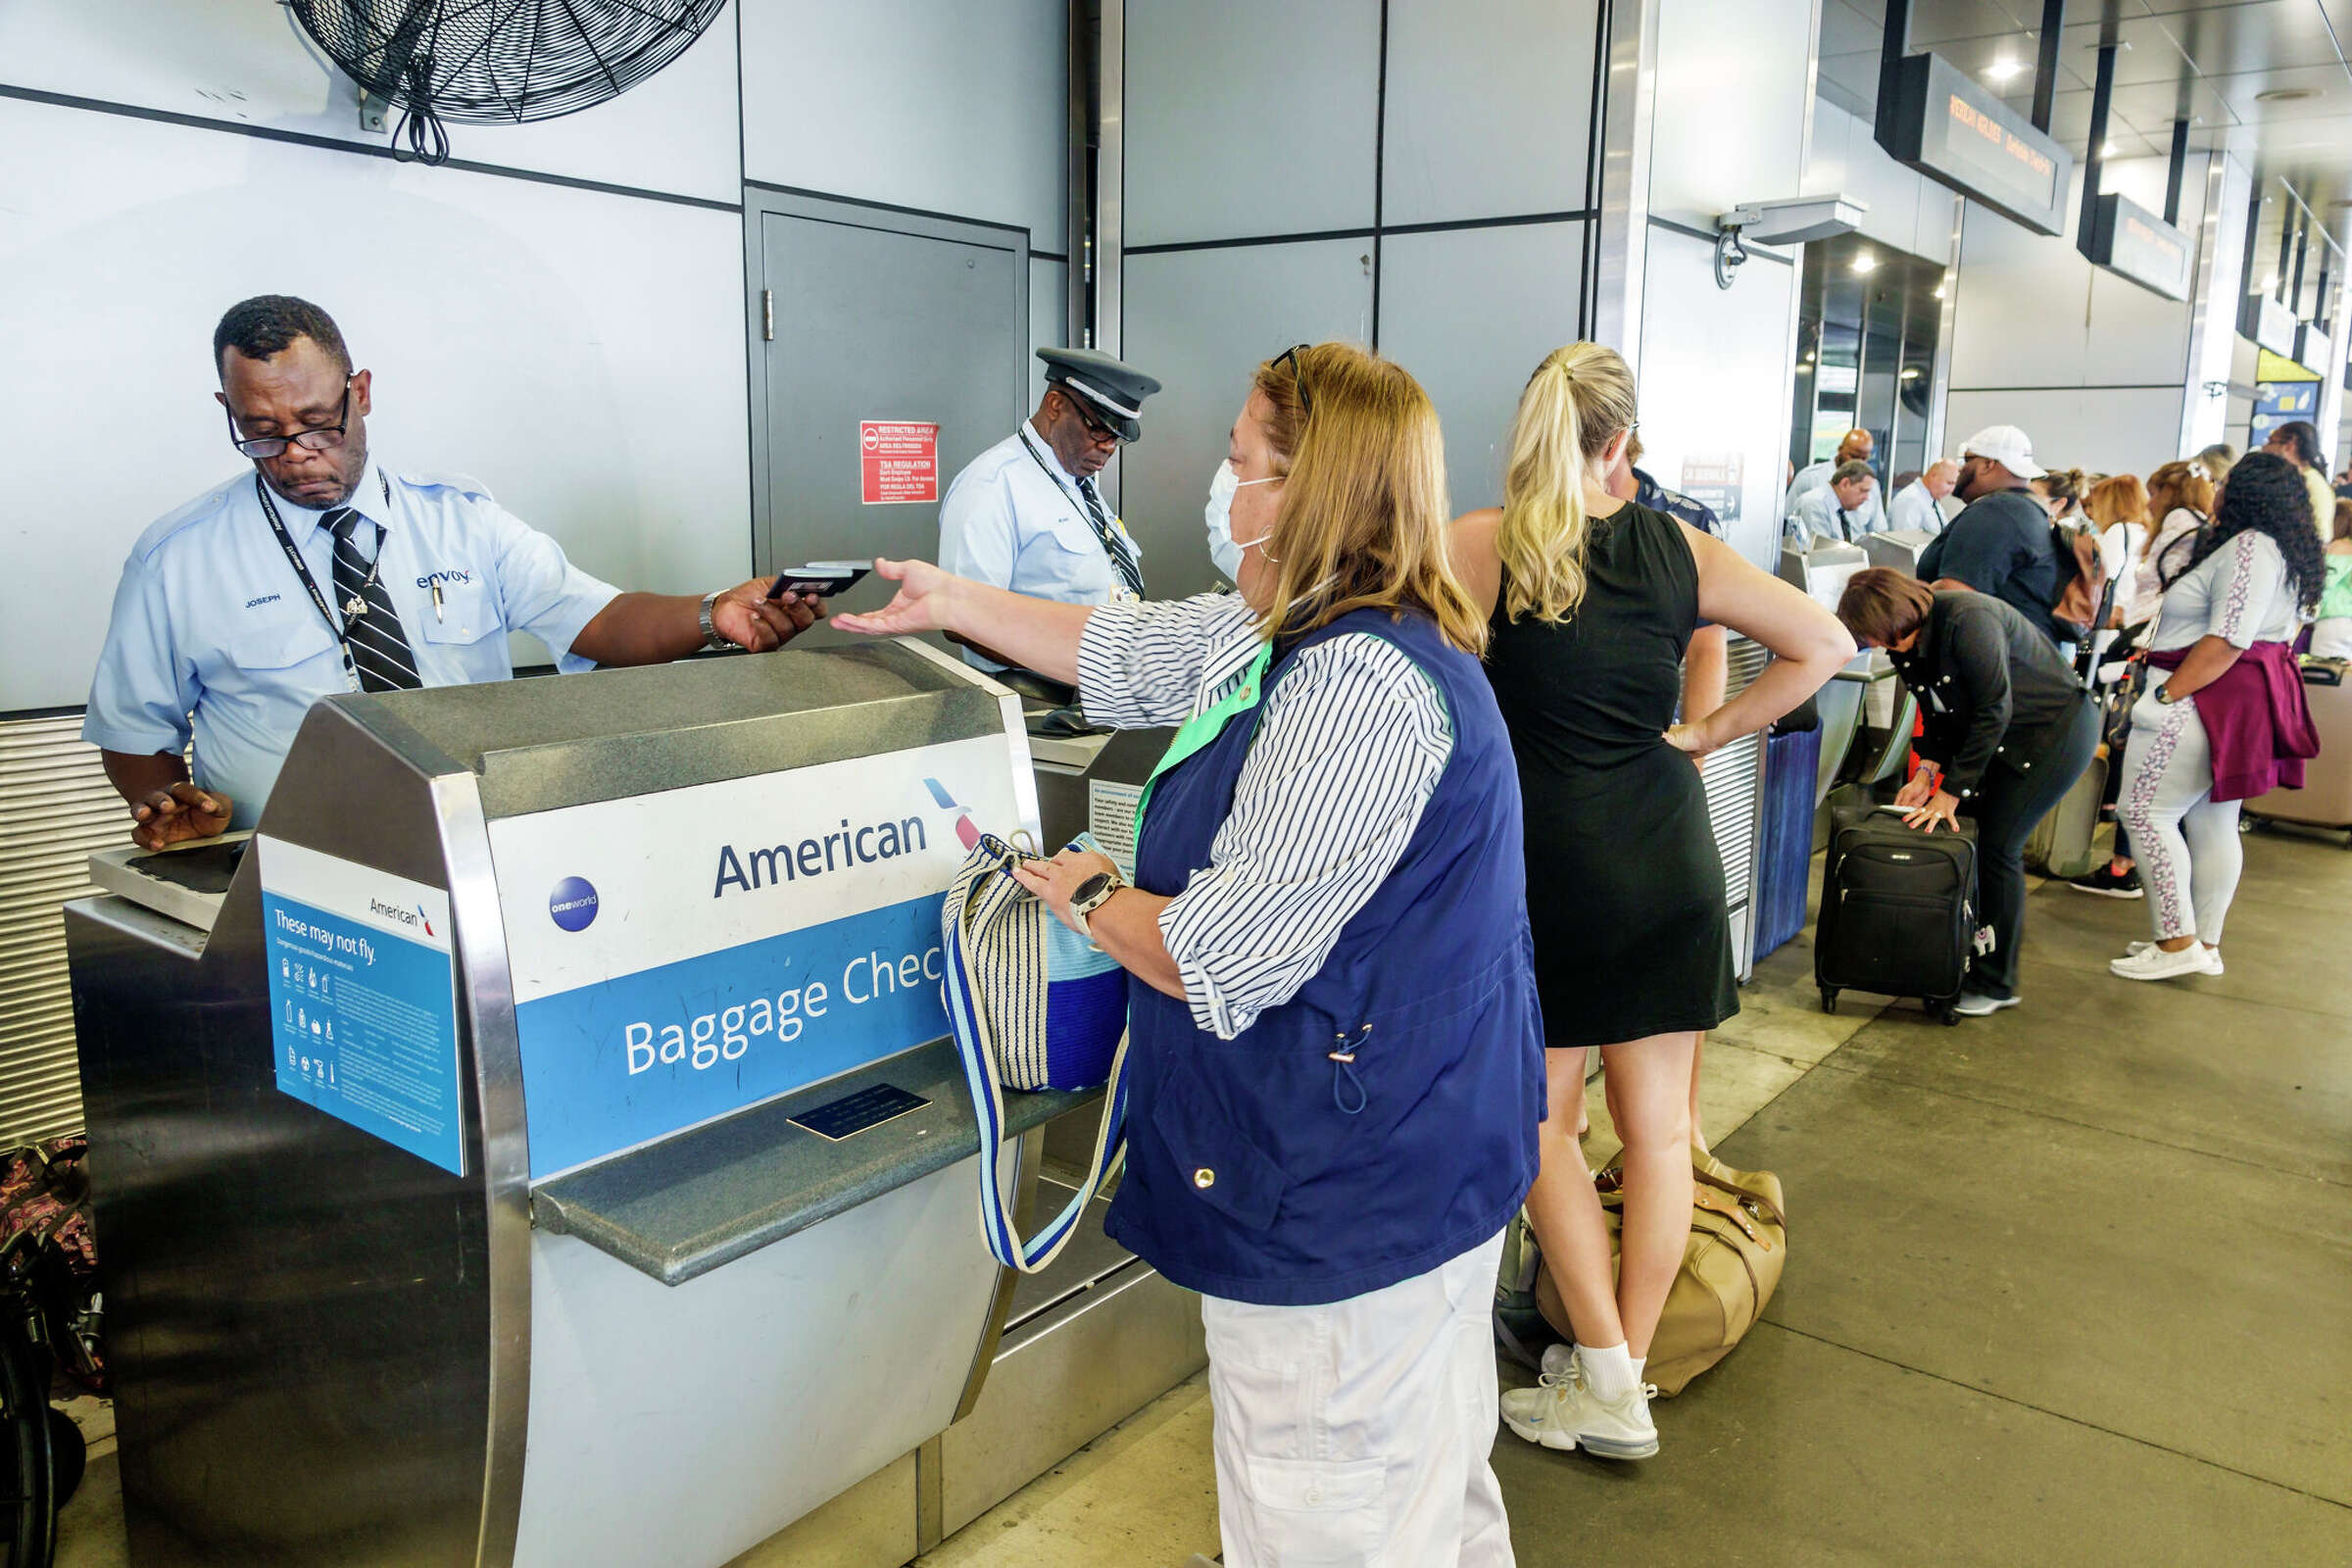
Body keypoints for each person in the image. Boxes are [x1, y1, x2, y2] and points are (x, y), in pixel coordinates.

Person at [839, 342, 1542, 1566]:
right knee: (1420, 1489)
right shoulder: (1303, 632)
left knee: (1331, 1517)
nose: (1225, 491)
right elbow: (1123, 650)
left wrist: (1099, 893)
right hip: (1412, 1162)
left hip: (1340, 1202)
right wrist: (948, 604)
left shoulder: (1355, 684)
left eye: (1241, 463)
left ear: (1309, 489)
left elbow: (1220, 954)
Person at [1451, 343, 1851, 1462]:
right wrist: (1710, 733)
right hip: (1669, 853)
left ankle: (1613, 1377)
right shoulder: (1680, 546)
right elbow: (1825, 642)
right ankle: (1619, 1369)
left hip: (1549, 867)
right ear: (1620, 441)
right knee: (1662, 1130)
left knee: (1540, 1126)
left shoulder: (1483, 544)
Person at [84, 295, 820, 851]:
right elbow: (133, 729)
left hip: (474, 847)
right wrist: (167, 804)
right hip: (295, 869)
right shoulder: (176, 559)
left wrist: (710, 612)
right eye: (262, 432)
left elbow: (596, 617)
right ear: (228, 410)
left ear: (361, 392)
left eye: (318, 421)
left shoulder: (462, 521)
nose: (298, 451)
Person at [1837, 571, 2102, 1014]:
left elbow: (1994, 709)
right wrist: (1926, 773)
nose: (1882, 646)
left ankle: (1998, 983)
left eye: (1883, 637)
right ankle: (1962, 953)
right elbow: (1936, 707)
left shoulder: (1968, 620)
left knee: (2000, 845)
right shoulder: (1907, 642)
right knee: (1969, 837)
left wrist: (1951, 792)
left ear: (1901, 617)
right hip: (1995, 735)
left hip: (2053, 732)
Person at [2111, 454, 2324, 982]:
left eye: (2225, 483)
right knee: (2212, 819)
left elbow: (2230, 636)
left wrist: (2167, 696)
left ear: (2247, 492)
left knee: (2145, 814)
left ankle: (2178, 940)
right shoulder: (2279, 549)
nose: (2216, 491)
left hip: (2202, 694)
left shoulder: (2251, 547)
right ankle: (2198, 939)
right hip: (2229, 697)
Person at [1606, 435, 1728, 1153]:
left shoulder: (1680, 520)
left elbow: (1709, 644)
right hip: (1568, 764)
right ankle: (1569, 1109)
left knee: (1670, 960)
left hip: (1653, 756)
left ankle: (1686, 1122)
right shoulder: (1534, 514)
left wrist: (1698, 740)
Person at [936, 347, 1161, 696]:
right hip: (1038, 703)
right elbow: (962, 620)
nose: (1107, 447)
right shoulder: (992, 485)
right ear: (1055, 405)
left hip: (1105, 697)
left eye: (1117, 437)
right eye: (1098, 429)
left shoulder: (1076, 482)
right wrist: (1075, 662)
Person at [2069, 463, 2215, 901]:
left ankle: (2124, 867)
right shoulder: (2204, 528)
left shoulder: (2177, 527)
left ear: (2170, 491)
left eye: (2156, 491)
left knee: (2139, 763)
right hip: (2176, 657)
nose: (2150, 502)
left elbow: (2157, 596)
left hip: (2159, 656)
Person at [1919, 425, 2067, 641]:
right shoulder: (2024, 510)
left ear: (1988, 464)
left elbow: (1956, 594)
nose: (1961, 469)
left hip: (1996, 661)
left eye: (1967, 460)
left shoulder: (1996, 511)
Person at [1786, 426, 1887, 532]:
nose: (1859, 462)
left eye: (1864, 458)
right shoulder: (1809, 478)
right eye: (1854, 456)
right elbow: (1787, 520)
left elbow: (1878, 530)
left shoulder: (1871, 486)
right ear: (1840, 449)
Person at [2261, 419, 2339, 547]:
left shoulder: (2308, 481)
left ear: (2290, 445)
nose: (2264, 448)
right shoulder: (2304, 477)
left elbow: (2320, 535)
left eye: (2270, 442)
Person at [1787, 461, 1879, 549]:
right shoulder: (1814, 504)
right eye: (1863, 491)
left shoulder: (1840, 509)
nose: (1866, 497)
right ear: (1845, 484)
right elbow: (1819, 553)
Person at [2313, 500, 2352, 661]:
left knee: (2323, 679)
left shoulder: (2333, 549)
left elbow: (2318, 584)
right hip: (2347, 621)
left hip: (2331, 623)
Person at [1888, 460, 1960, 535]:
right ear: (1933, 475)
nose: (1951, 490)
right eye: (1949, 483)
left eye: (1954, 484)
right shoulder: (1910, 499)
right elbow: (1903, 541)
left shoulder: (1933, 501)